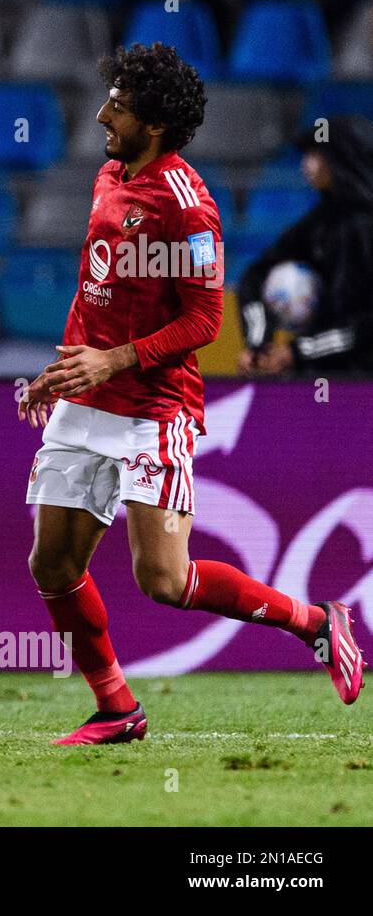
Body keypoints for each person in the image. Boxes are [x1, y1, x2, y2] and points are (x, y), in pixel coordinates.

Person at [18, 44, 364, 746]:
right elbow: (97, 293)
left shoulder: (190, 208)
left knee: (163, 581)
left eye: (117, 104)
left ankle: (318, 623)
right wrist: (62, 372)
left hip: (152, 409)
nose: (101, 114)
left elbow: (205, 320)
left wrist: (113, 361)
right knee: (51, 563)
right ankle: (116, 707)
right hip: (88, 402)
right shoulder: (108, 177)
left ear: (155, 122)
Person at [237, 115, 373, 375]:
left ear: (340, 158)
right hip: (315, 379)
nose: (305, 165)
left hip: (362, 384)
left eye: (315, 154)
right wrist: (259, 345)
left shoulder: (364, 229)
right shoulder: (319, 222)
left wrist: (297, 352)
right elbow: (255, 275)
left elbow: (366, 325)